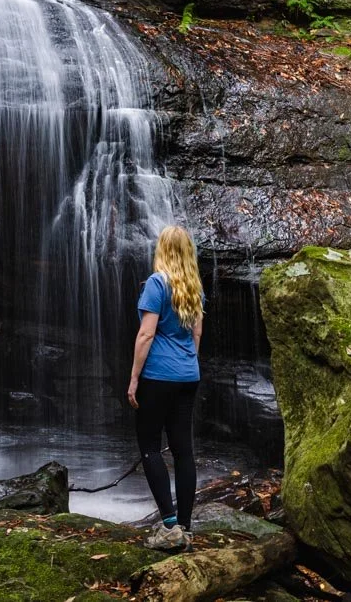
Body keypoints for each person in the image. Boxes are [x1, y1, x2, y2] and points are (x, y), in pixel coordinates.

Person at [127, 224, 204, 552]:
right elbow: (197, 334)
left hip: (158, 376)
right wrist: (187, 364)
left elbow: (146, 334)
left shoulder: (157, 284)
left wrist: (133, 378)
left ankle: (170, 525)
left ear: (163, 250)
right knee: (183, 449)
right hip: (188, 376)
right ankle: (186, 526)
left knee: (149, 446)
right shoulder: (194, 288)